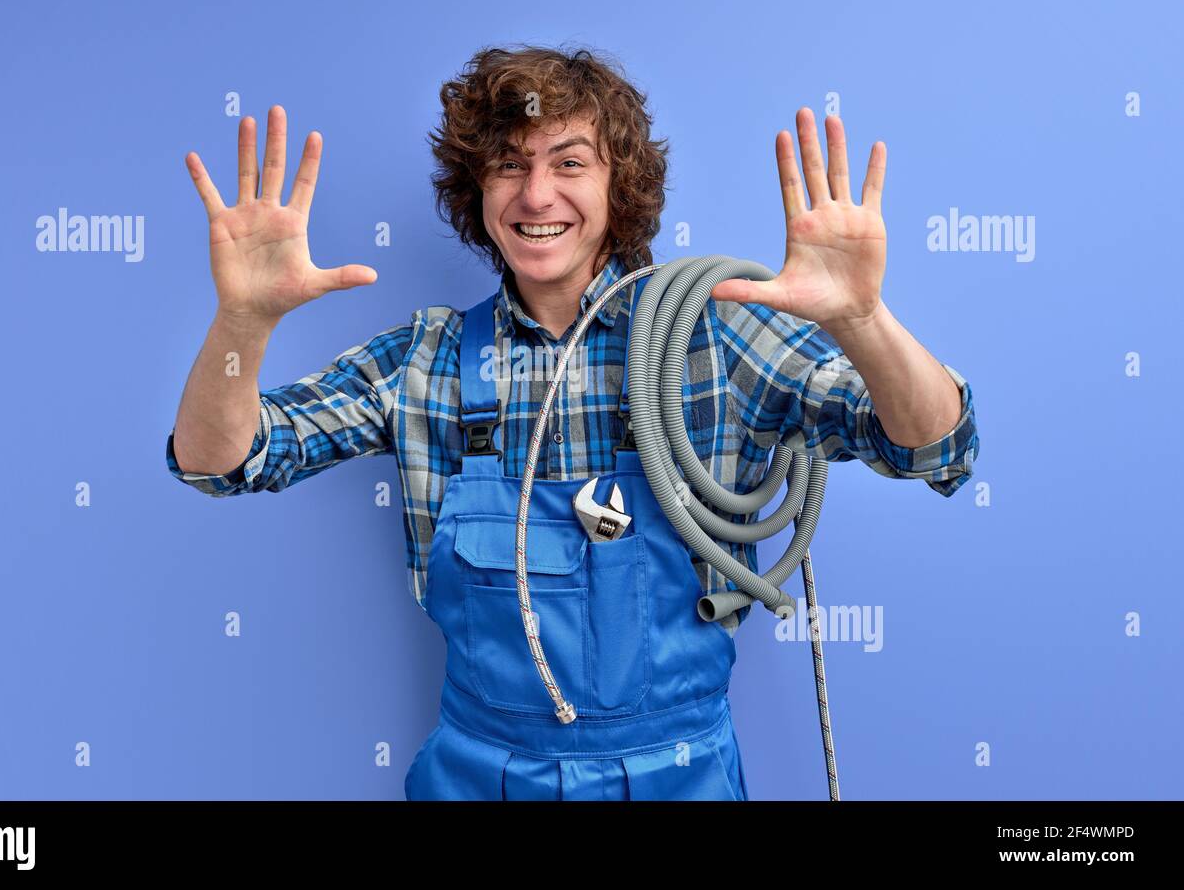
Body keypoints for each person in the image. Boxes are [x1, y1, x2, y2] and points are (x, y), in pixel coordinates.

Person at [166, 45, 979, 800]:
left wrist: (863, 318)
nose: (536, 195)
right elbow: (222, 462)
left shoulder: (716, 336)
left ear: (617, 186)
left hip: (681, 774)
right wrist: (243, 321)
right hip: (480, 775)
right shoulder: (425, 361)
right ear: (476, 192)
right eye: (509, 167)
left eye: (569, 163)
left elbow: (935, 446)